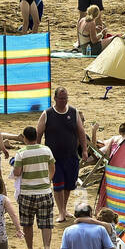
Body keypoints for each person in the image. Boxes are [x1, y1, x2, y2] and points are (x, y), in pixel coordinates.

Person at [38, 87, 86, 224]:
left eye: (65, 98)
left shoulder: (73, 112)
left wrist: (84, 150)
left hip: (71, 156)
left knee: (68, 185)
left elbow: (81, 132)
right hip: (53, 158)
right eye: (61, 98)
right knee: (58, 184)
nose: (63, 101)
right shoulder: (47, 114)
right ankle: (60, 212)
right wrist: (37, 150)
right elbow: (39, 133)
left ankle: (64, 209)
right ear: (55, 98)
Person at [12, 126, 55, 249]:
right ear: (36, 136)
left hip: (27, 193)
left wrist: (14, 167)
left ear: (25, 138)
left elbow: (17, 172)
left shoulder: (21, 153)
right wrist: (47, 180)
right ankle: (47, 248)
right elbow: (52, 168)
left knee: (27, 223)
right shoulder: (46, 150)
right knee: (46, 222)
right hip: (44, 191)